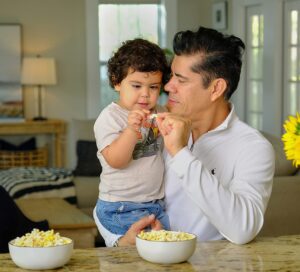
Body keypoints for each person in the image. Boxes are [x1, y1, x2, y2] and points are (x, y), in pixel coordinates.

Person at [95, 26, 275, 247]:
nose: (167, 87)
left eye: (180, 80)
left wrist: (180, 153)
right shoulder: (157, 122)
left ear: (216, 88)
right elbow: (116, 191)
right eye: (171, 77)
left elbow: (243, 229)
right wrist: (120, 241)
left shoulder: (252, 147)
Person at [93, 38, 170, 240]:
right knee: (147, 253)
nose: (145, 94)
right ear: (117, 82)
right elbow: (116, 161)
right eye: (136, 86)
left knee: (165, 249)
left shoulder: (159, 111)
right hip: (121, 206)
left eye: (153, 87)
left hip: (154, 204)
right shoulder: (110, 117)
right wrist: (130, 130)